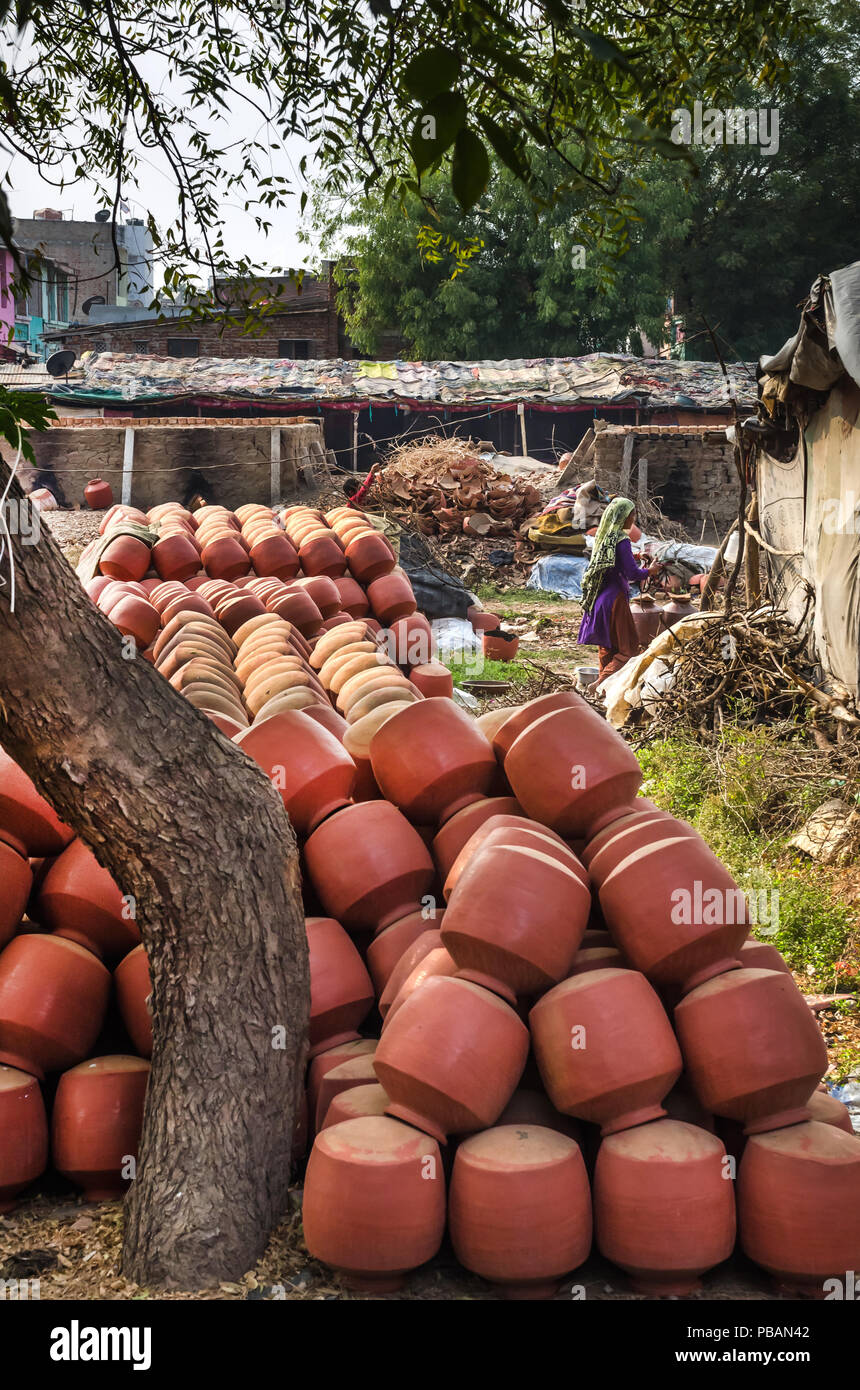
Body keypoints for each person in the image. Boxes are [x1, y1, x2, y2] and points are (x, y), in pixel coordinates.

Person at [578, 496, 663, 684]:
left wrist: (637, 555)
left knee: (607, 648)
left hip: (600, 599)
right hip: (615, 600)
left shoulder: (604, 537)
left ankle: (601, 688)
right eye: (631, 515)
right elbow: (631, 573)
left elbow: (613, 559)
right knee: (628, 649)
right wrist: (651, 571)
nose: (633, 519)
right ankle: (600, 684)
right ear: (623, 516)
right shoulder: (622, 539)